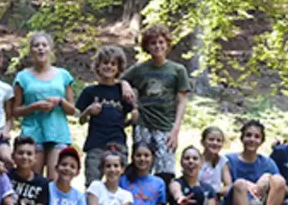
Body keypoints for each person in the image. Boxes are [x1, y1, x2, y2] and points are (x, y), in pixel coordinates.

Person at [122, 25, 190, 185]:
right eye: (153, 43)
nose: (157, 46)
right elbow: (122, 79)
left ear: (167, 44)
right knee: (141, 166)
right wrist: (125, 86)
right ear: (147, 46)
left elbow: (182, 101)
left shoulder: (177, 70)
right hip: (143, 124)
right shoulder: (140, 69)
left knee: (165, 170)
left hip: (166, 125)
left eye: (161, 42)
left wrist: (176, 130)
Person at [13, 32, 75, 180]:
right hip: (33, 133)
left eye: (44, 45)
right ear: (31, 51)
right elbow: (15, 111)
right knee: (33, 179)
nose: (40, 48)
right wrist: (35, 106)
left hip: (58, 133)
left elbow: (72, 110)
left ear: (50, 49)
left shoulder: (63, 75)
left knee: (55, 180)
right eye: (36, 45)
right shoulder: (22, 77)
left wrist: (60, 101)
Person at [77, 45, 138, 186]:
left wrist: (132, 119)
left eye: (113, 64)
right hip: (95, 144)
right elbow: (81, 120)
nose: (109, 67)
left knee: (118, 184)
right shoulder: (90, 91)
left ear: (119, 68)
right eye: (105, 63)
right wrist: (88, 111)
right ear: (98, 66)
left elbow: (125, 121)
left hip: (118, 143)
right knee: (93, 184)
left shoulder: (123, 92)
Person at [224, 120, 285, 205]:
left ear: (261, 141)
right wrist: (246, 184)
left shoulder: (267, 163)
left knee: (279, 179)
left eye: (256, 136)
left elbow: (283, 188)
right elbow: (225, 189)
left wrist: (268, 178)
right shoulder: (229, 160)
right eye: (248, 135)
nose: (252, 139)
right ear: (242, 138)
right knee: (239, 183)